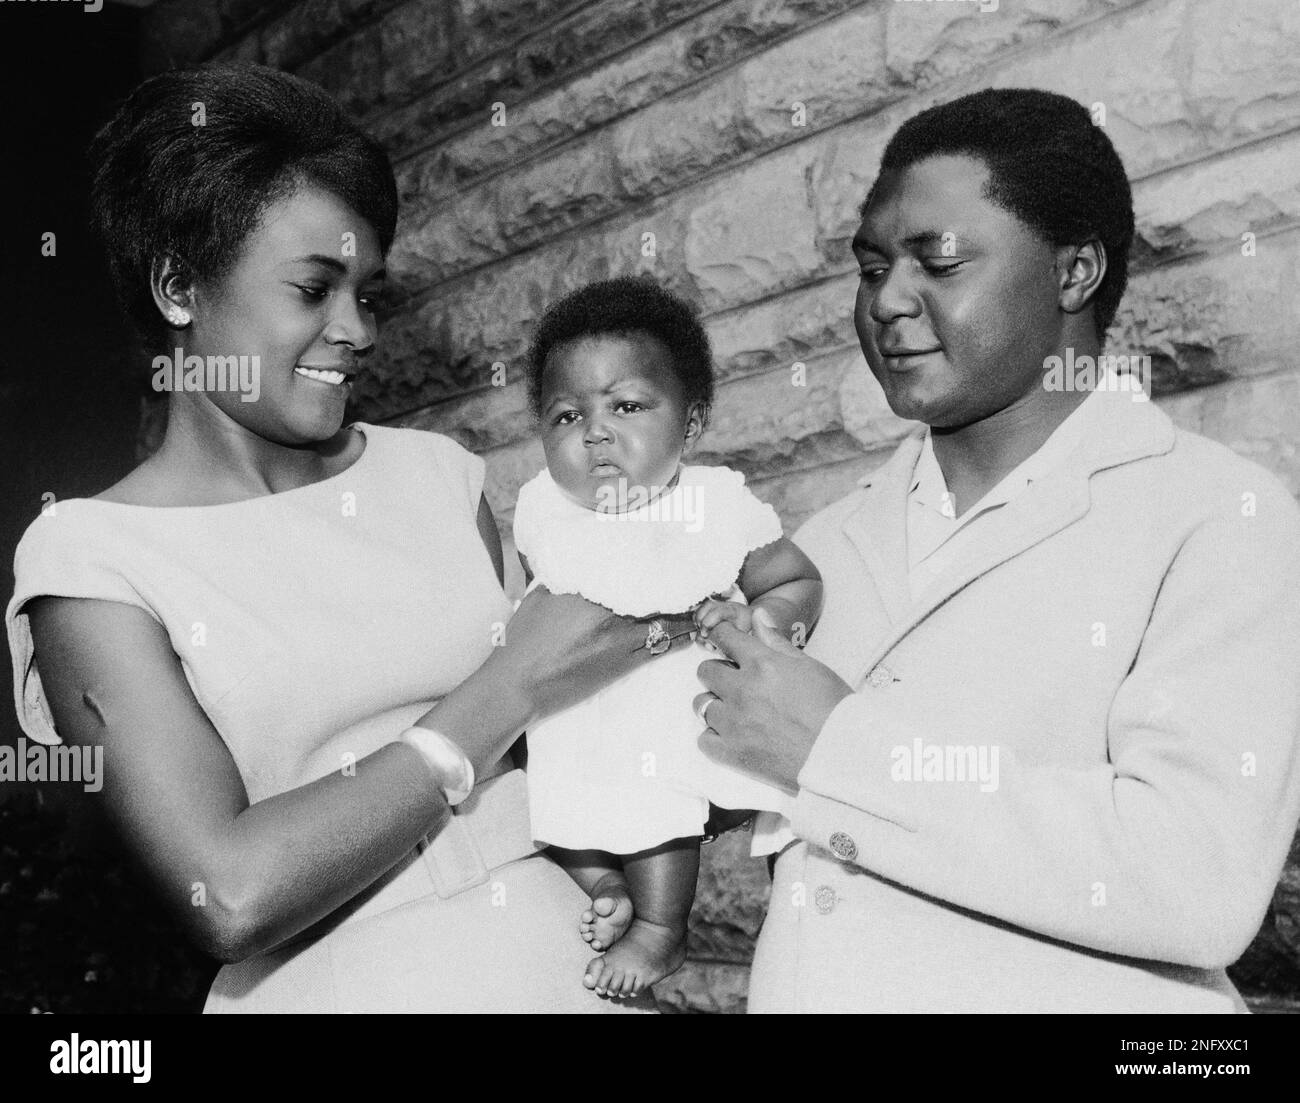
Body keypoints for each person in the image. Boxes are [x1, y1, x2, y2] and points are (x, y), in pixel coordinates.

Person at [5, 64, 695, 1013]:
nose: (356, 328)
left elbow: (576, 750)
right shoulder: (90, 559)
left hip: (566, 965)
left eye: (367, 292)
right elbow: (230, 893)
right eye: (313, 288)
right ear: (177, 285)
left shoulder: (434, 474)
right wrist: (508, 688)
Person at [692, 88, 1300, 1012]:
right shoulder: (817, 545)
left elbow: (1198, 879)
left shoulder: (1220, 515)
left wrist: (837, 748)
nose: (887, 301)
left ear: (1075, 271)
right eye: (870, 267)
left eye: (938, 259)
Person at [513, 276, 822, 998]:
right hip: (571, 711)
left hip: (660, 709)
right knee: (554, 810)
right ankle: (606, 888)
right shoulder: (542, 510)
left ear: (688, 424)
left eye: (625, 406)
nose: (594, 431)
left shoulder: (713, 506)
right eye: (565, 416)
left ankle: (659, 928)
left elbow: (795, 578)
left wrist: (763, 623)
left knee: (653, 804)